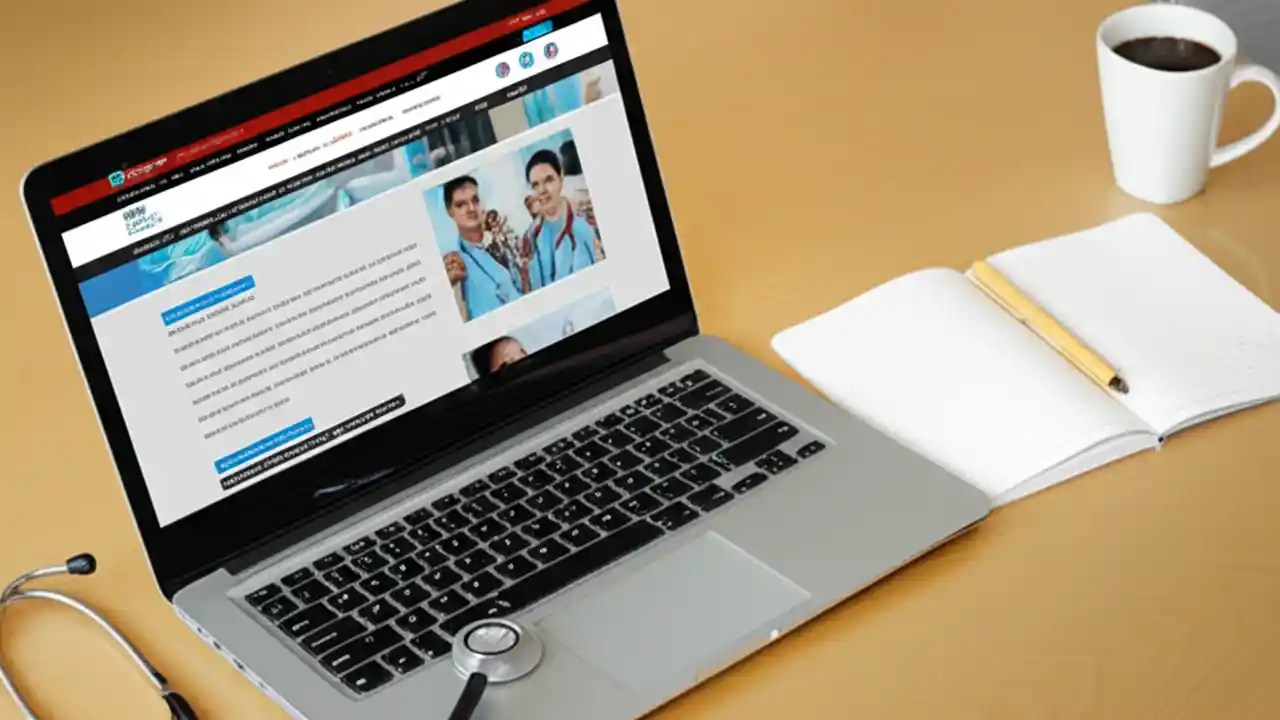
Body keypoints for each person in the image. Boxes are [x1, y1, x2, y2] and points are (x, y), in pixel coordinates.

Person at [441, 176, 523, 321]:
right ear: (450, 211)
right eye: (461, 205)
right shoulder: (454, 266)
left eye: (475, 200)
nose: (471, 209)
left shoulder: (507, 240)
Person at [524, 150, 598, 289]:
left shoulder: (585, 223)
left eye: (548, 180)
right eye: (535, 185)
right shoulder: (533, 237)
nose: (542, 190)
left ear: (561, 178)